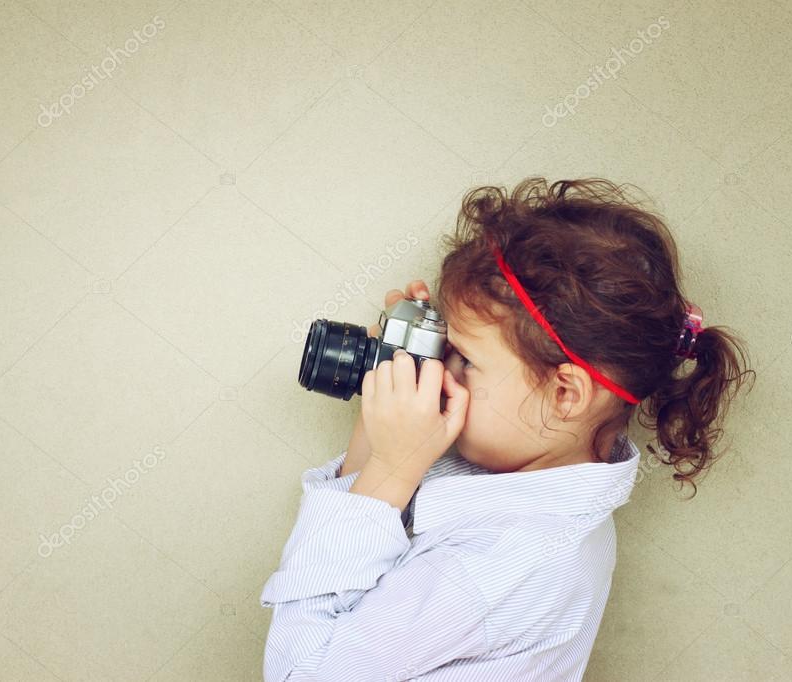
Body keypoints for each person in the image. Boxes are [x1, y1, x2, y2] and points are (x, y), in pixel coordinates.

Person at [260, 177, 756, 681]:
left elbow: (302, 673)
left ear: (565, 394)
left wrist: (388, 474)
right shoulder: (528, 481)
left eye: (464, 358)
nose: (441, 372)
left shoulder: (501, 564)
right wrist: (383, 398)